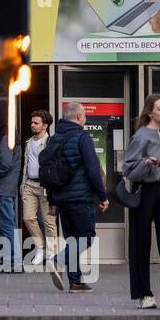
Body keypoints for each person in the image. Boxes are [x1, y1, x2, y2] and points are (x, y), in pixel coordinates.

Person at [122, 94, 160, 309]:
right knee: (141, 243)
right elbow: (128, 169)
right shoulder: (141, 136)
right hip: (145, 190)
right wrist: (147, 162)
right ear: (150, 112)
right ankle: (144, 294)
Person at [44, 101, 109, 294]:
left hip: (62, 200)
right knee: (87, 238)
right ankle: (57, 260)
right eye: (85, 116)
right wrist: (102, 195)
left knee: (73, 240)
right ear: (79, 117)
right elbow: (93, 169)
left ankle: (75, 282)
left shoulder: (54, 139)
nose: (85, 119)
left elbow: (49, 173)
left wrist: (52, 201)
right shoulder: (82, 137)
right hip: (80, 199)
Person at [19, 110, 56, 267]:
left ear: (45, 126)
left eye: (36, 123)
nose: (32, 125)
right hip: (29, 184)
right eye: (32, 122)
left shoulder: (51, 143)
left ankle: (51, 253)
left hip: (45, 186)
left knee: (48, 221)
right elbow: (26, 164)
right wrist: (23, 184)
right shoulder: (29, 141)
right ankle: (40, 247)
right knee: (28, 217)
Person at [0, 98, 21, 271]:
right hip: (6, 188)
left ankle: (12, 261)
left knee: (5, 225)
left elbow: (4, 163)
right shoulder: (10, 133)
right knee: (7, 225)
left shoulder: (7, 135)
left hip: (3, 188)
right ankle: (10, 260)